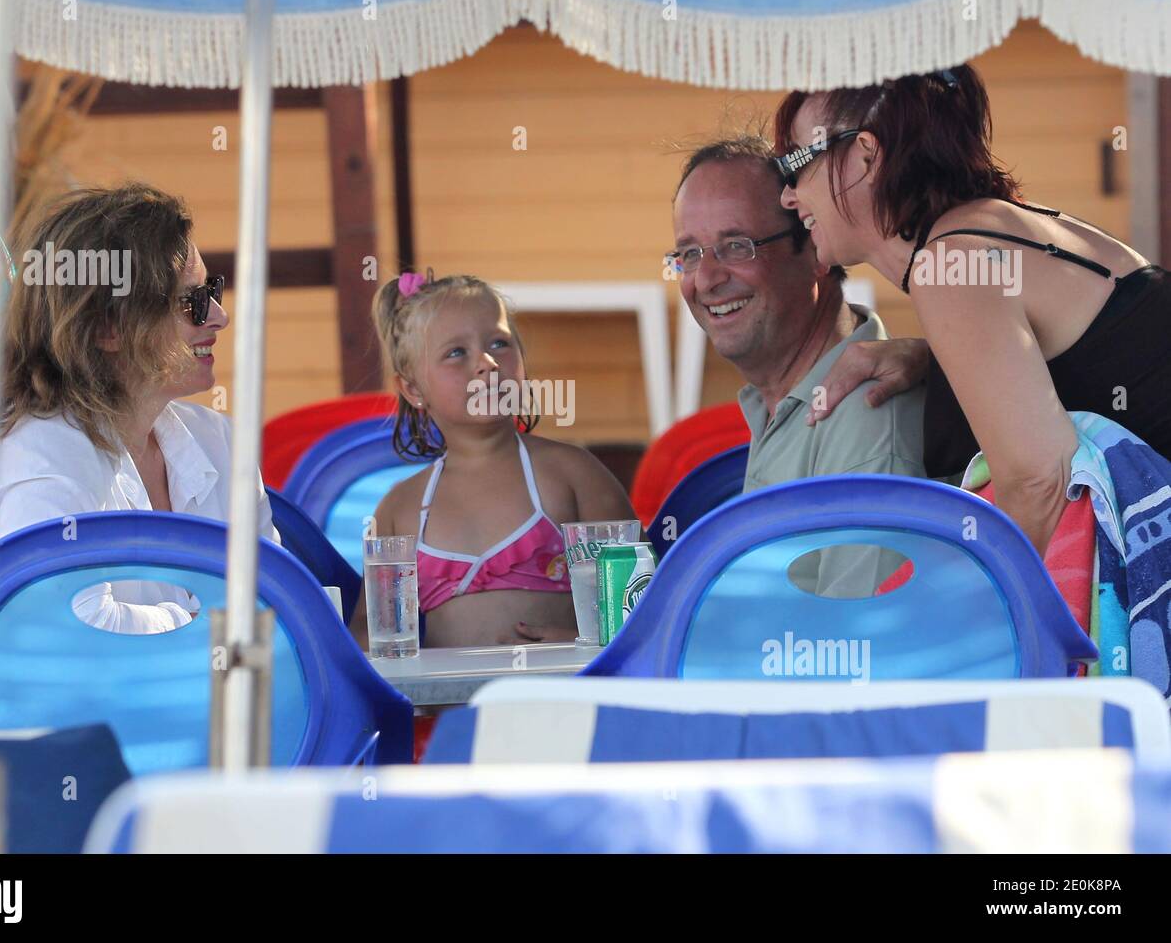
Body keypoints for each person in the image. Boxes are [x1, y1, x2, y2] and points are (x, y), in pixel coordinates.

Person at [775, 65, 1170, 555]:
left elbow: (1039, 484)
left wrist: (968, 617)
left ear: (865, 155)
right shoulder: (997, 230)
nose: (788, 195)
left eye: (795, 162)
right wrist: (928, 358)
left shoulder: (950, 262)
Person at [0, 183, 279, 634]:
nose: (219, 315)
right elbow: (72, 630)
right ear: (108, 328)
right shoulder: (42, 457)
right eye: (191, 302)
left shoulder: (219, 441)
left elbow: (276, 602)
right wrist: (200, 622)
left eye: (212, 290)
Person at [671, 135, 925, 596]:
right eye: (689, 254)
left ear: (815, 249)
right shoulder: (783, 403)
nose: (705, 279)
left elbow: (859, 646)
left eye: (736, 246)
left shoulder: (864, 407)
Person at [357, 271, 634, 647]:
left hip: (563, 699)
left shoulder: (573, 475)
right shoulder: (400, 509)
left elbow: (641, 603)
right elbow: (366, 634)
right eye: (457, 353)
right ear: (412, 388)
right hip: (449, 706)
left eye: (499, 343)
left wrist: (582, 641)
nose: (487, 363)